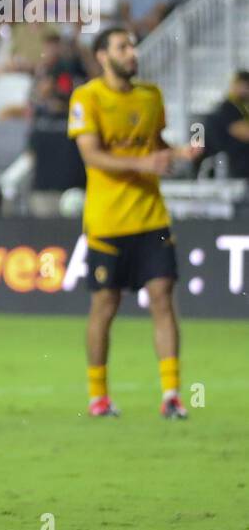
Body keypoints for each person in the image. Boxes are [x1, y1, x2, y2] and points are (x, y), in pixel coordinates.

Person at [67, 28, 200, 419]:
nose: (132, 53)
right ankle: (98, 397)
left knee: (163, 297)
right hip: (108, 221)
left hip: (151, 217)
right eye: (122, 47)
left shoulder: (150, 96)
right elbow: (92, 156)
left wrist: (179, 151)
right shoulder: (87, 97)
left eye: (132, 46)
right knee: (105, 306)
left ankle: (172, 395)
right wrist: (144, 164)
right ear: (103, 56)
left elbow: (154, 143)